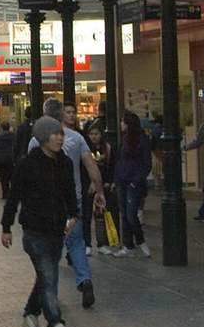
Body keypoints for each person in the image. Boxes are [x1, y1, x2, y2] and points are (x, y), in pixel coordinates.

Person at [1, 116, 80, 327]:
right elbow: (13, 198)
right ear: (43, 137)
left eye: (61, 134)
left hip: (57, 230)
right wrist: (6, 227)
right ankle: (56, 324)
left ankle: (30, 312)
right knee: (49, 277)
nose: (59, 138)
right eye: (54, 134)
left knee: (46, 276)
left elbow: (69, 191)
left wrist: (73, 215)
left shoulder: (64, 163)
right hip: (34, 231)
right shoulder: (27, 164)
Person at [25, 98, 104, 309]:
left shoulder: (37, 140)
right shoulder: (77, 138)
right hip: (72, 201)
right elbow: (91, 166)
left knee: (50, 250)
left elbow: (28, 173)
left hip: (47, 205)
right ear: (61, 115)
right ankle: (84, 279)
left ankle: (51, 293)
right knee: (76, 243)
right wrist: (99, 190)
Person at [111, 111, 152, 258]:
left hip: (133, 182)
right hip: (122, 180)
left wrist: (136, 180)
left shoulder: (141, 140)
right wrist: (116, 179)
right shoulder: (125, 139)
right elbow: (120, 161)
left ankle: (139, 240)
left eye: (123, 121)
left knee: (131, 214)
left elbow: (146, 163)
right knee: (125, 214)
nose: (121, 124)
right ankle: (128, 244)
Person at [81, 122, 114, 254]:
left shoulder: (107, 148)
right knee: (87, 215)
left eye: (96, 134)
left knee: (101, 216)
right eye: (91, 134)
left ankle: (102, 243)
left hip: (103, 187)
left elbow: (110, 166)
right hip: (89, 187)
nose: (94, 137)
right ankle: (87, 243)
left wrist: (108, 181)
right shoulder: (85, 150)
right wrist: (91, 182)